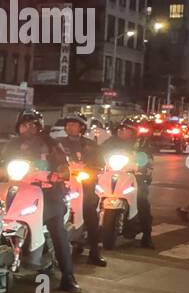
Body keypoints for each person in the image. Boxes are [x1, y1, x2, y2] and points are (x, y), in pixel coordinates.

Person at [0, 108, 80, 293]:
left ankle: (68, 277)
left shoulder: (51, 144)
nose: (28, 128)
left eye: (32, 124)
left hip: (48, 194)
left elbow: (64, 170)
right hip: (16, 192)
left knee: (57, 230)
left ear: (39, 127)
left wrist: (55, 175)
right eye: (24, 124)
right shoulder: (10, 145)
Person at [57, 114, 106, 266]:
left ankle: (94, 253)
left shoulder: (91, 145)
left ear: (82, 128)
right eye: (69, 125)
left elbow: (100, 165)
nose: (71, 127)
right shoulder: (57, 144)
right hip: (63, 185)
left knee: (90, 213)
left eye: (74, 125)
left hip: (85, 185)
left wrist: (90, 169)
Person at [103, 118, 154, 248]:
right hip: (112, 174)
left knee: (142, 199)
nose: (122, 131)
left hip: (134, 176)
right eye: (120, 129)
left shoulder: (140, 143)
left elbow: (147, 158)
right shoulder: (110, 142)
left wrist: (143, 166)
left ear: (133, 132)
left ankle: (147, 235)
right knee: (92, 194)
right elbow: (99, 153)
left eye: (126, 129)